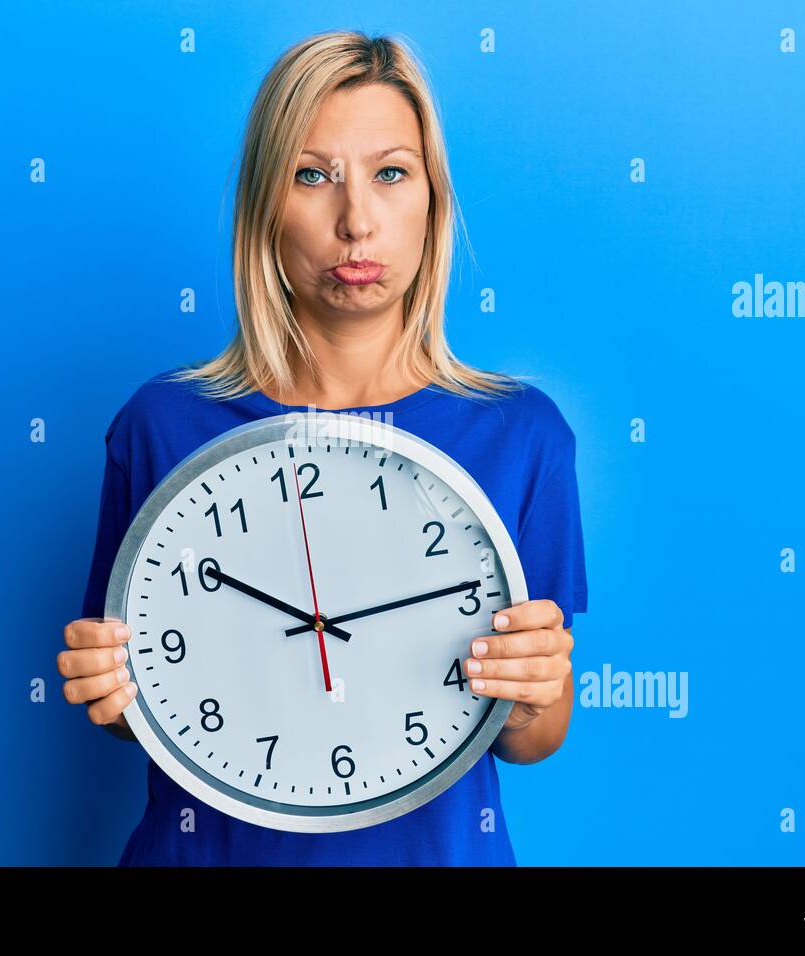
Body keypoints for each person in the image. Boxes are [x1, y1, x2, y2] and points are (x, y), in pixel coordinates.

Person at [57, 30, 588, 866]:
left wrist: (533, 695)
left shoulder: (522, 435)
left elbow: (532, 735)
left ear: (432, 200)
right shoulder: (162, 424)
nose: (356, 221)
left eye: (390, 172)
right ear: (267, 204)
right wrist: (109, 690)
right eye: (313, 175)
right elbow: (140, 710)